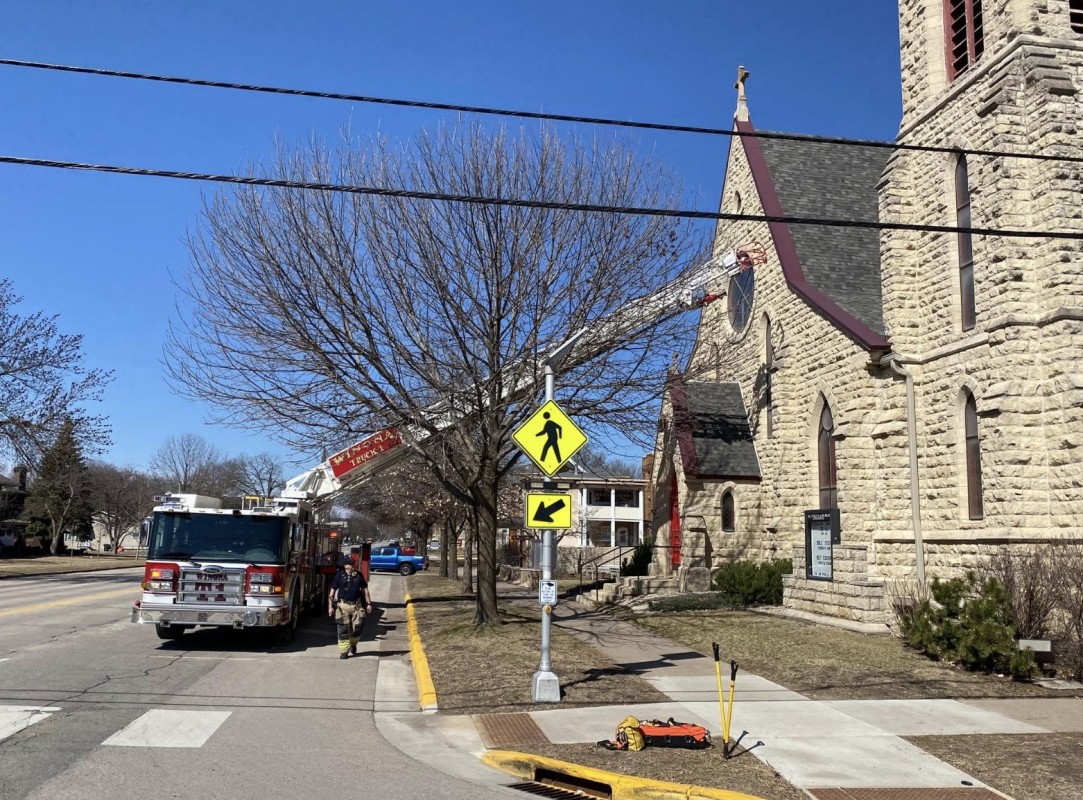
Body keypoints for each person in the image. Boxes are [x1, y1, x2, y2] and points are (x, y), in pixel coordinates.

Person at [328, 560, 372, 659]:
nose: (353, 566)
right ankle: (344, 652)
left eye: (353, 564)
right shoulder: (339, 576)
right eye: (350, 564)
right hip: (343, 606)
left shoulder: (359, 575)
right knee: (343, 630)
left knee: (357, 628)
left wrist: (369, 604)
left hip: (357, 606)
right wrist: (330, 607)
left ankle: (353, 644)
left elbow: (365, 590)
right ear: (345, 566)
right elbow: (332, 592)